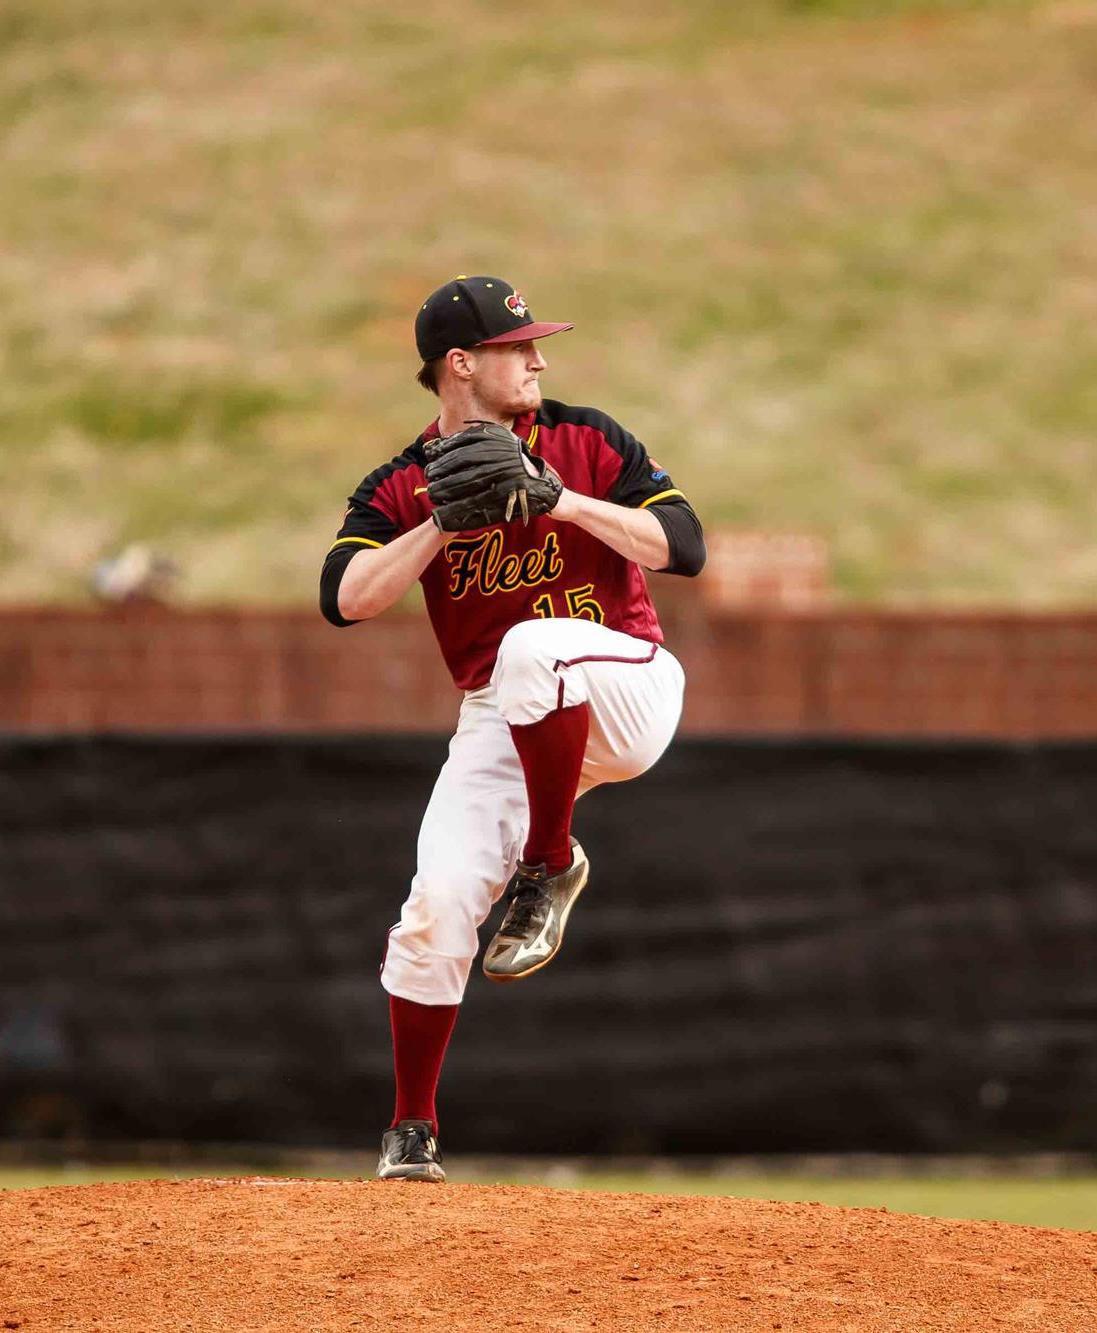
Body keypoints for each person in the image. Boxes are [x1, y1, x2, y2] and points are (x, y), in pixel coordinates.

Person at [319, 275, 706, 1182]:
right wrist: (444, 529)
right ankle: (412, 1132)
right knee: (436, 904)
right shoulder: (404, 483)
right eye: (517, 346)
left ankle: (549, 862)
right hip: (507, 716)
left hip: (625, 680)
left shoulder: (583, 438)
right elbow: (345, 601)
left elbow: (683, 546)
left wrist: (556, 499)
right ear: (461, 364)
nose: (539, 358)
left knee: (535, 647)